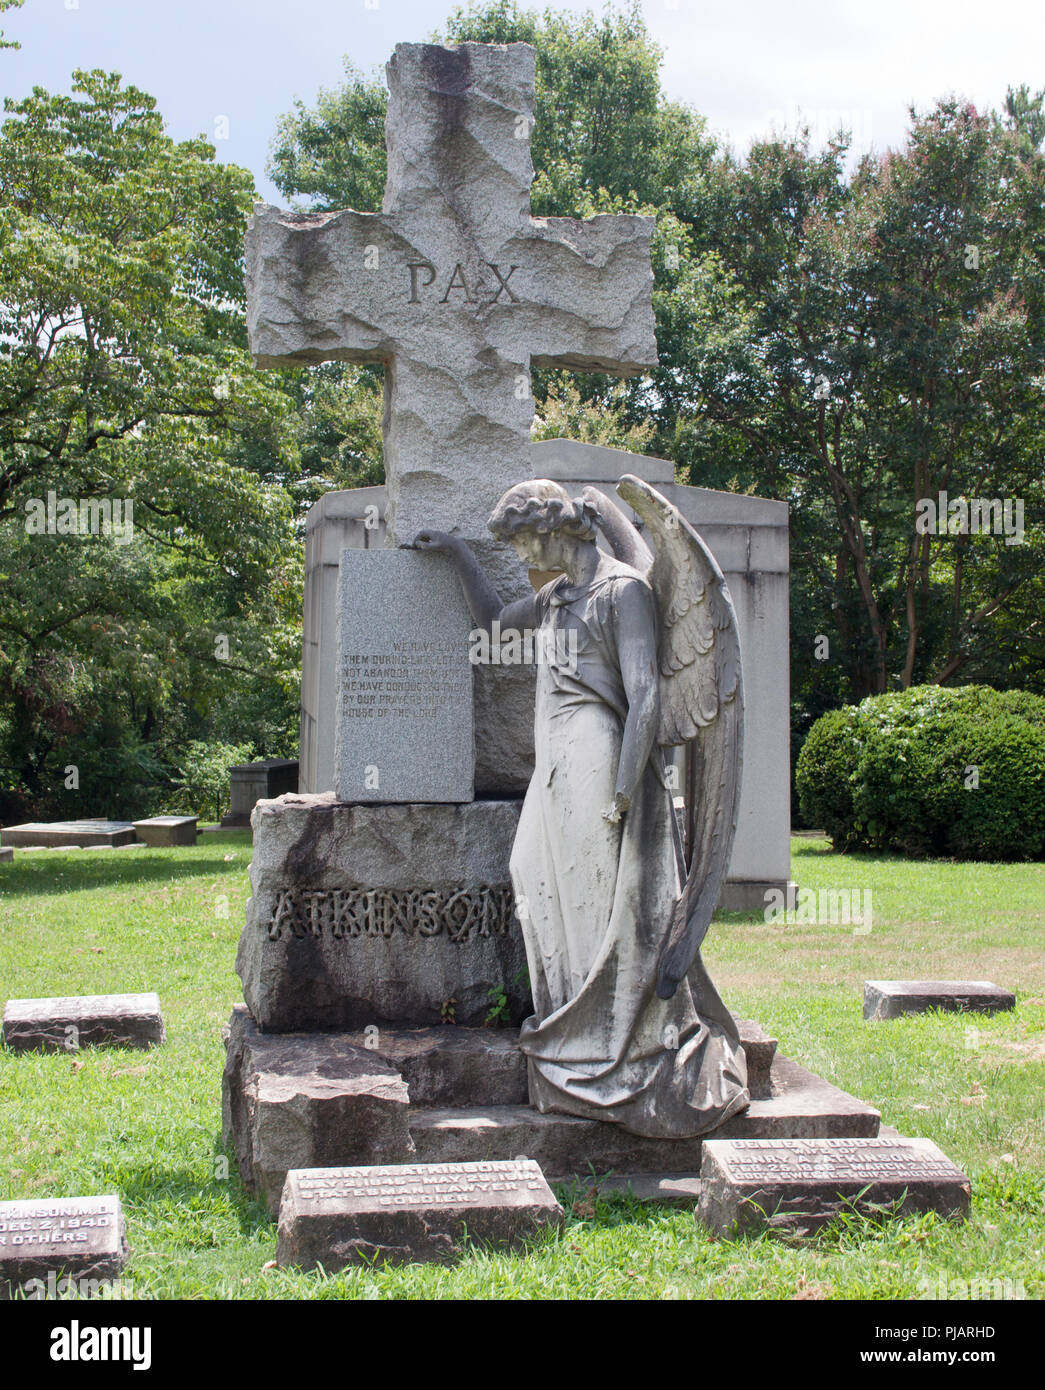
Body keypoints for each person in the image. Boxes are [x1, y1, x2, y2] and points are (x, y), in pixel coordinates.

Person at [414, 479, 748, 1138]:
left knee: (600, 898)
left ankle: (613, 1042)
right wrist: (457, 553)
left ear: (551, 530)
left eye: (521, 542)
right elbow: (491, 626)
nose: (522, 556)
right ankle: (576, 1023)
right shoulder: (555, 596)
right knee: (533, 878)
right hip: (556, 761)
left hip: (599, 758)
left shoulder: (622, 591)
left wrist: (624, 791)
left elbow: (647, 695)